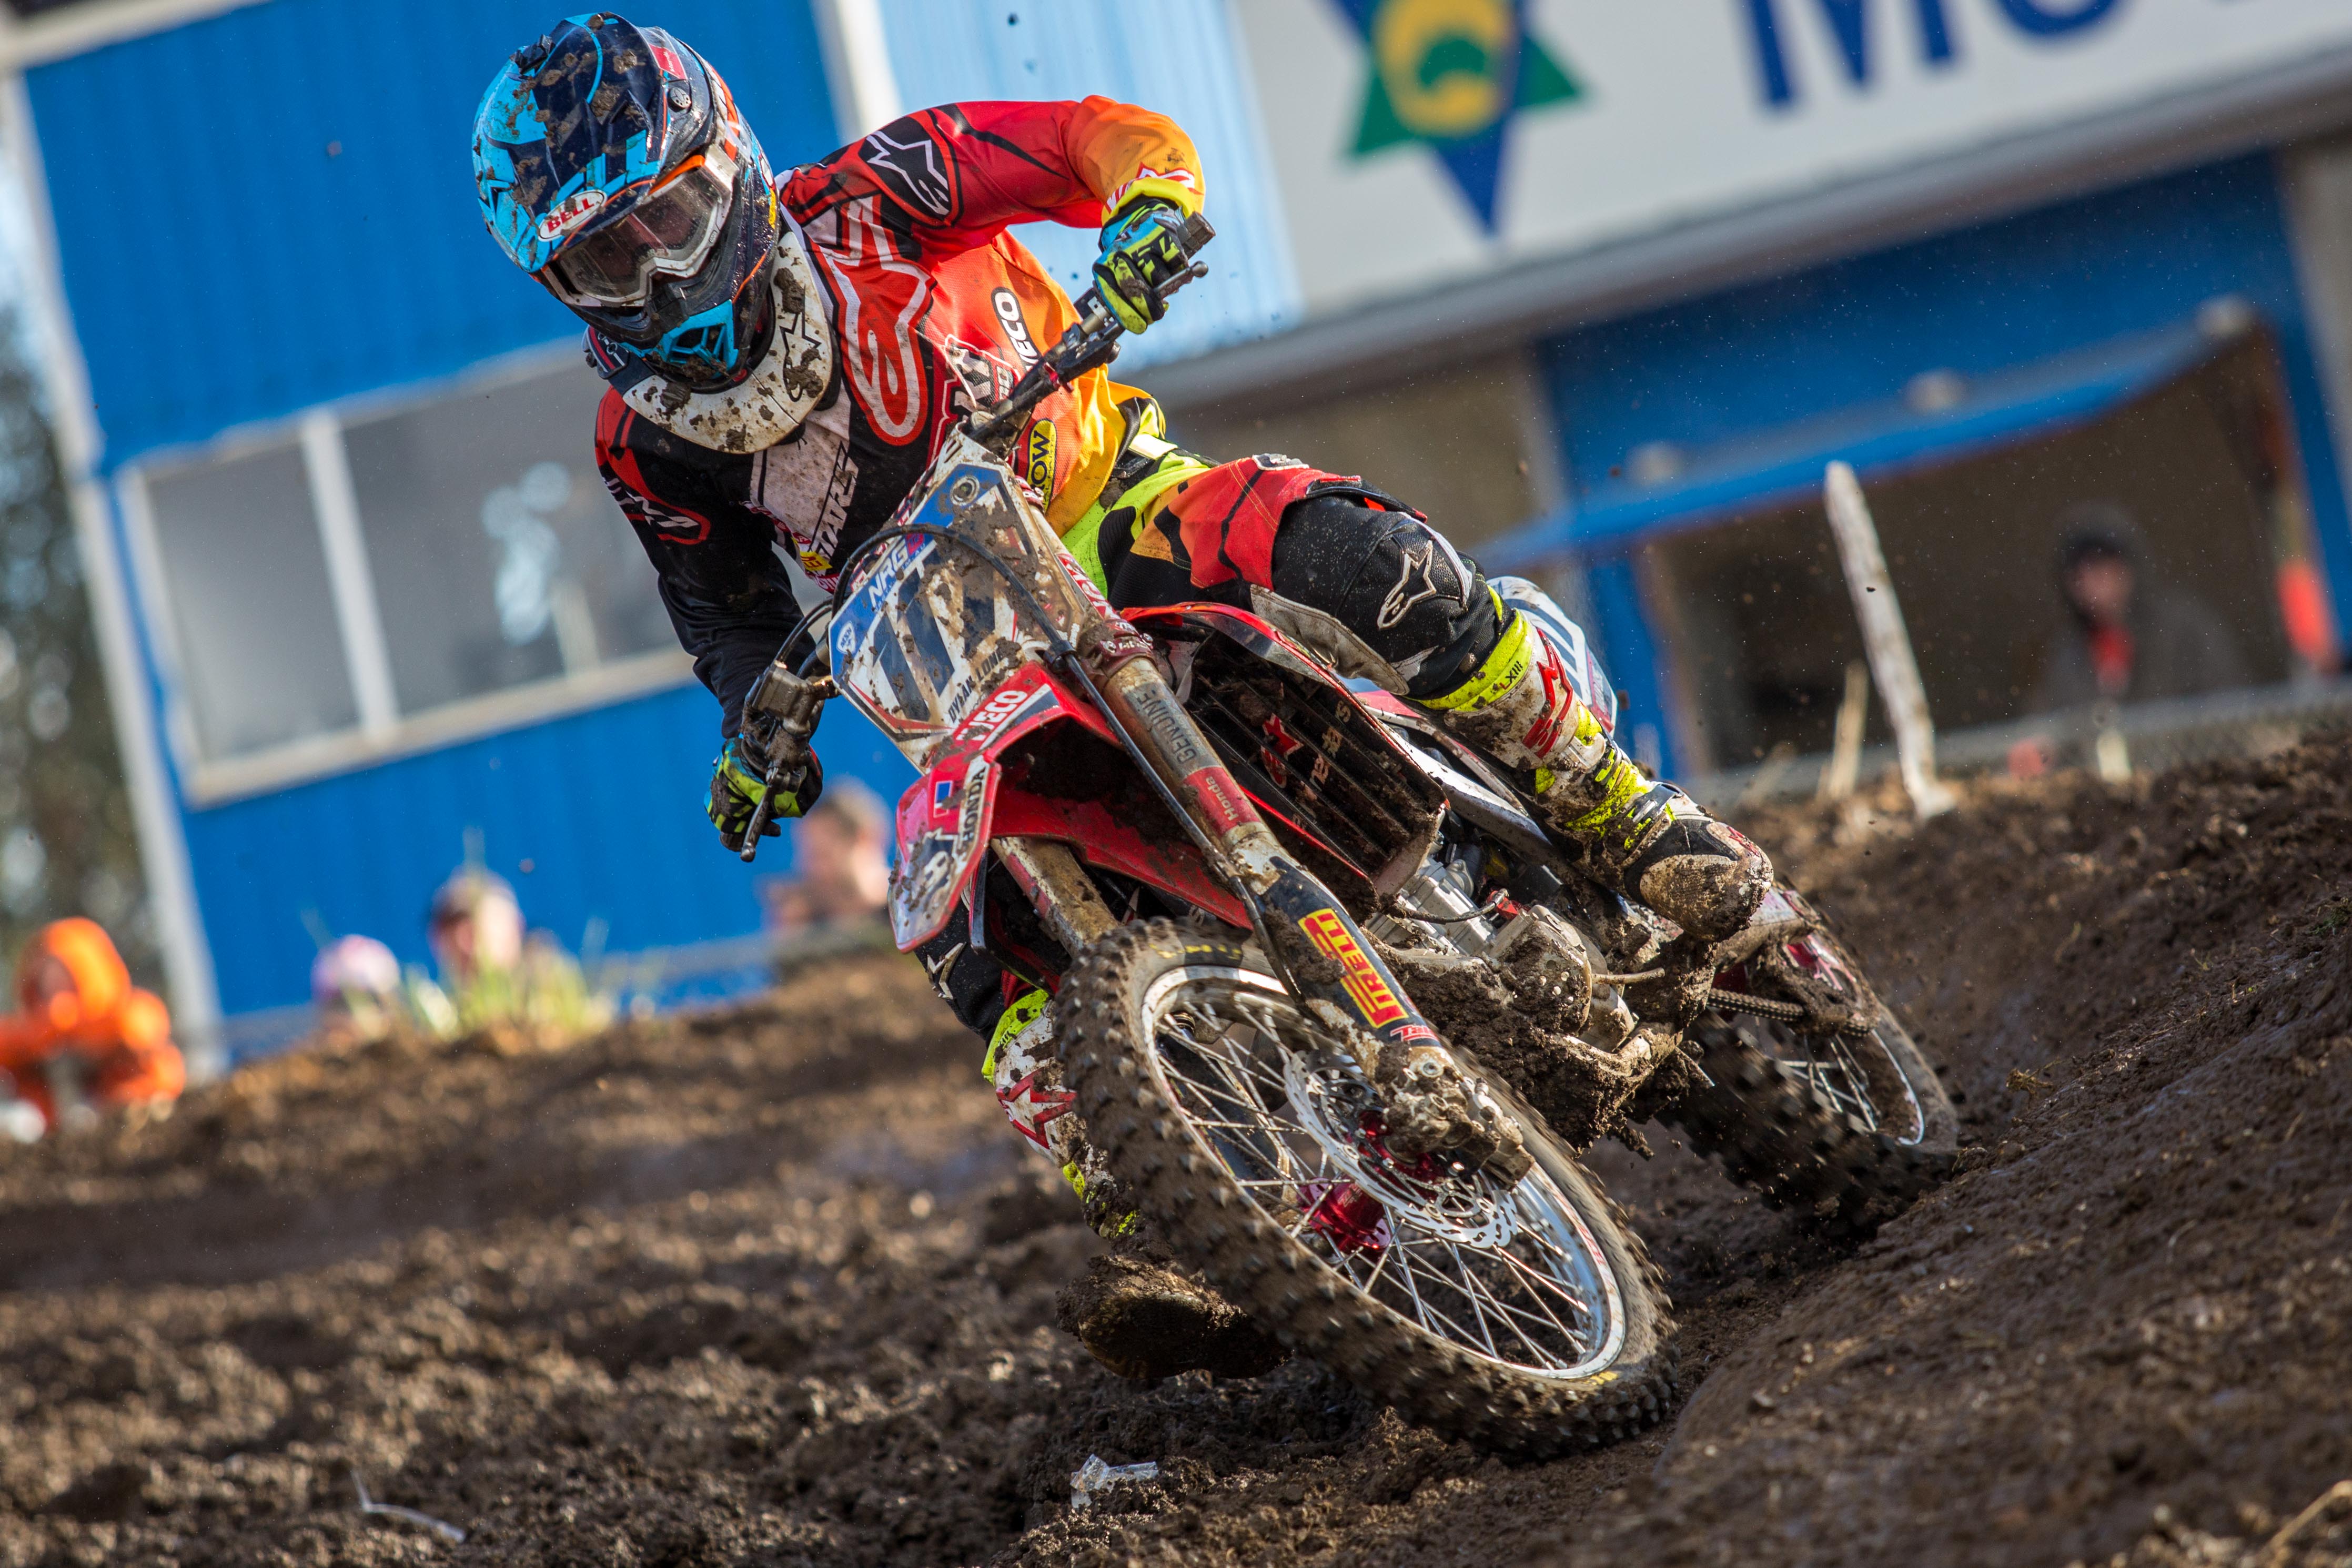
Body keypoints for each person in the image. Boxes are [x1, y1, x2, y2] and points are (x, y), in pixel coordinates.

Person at [472, 16, 1771, 1367]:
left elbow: (1095, 135)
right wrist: (757, 726)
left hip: (1100, 508)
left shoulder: (880, 192)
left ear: (726, 159)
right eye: (600, 256)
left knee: (1331, 544)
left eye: (669, 218)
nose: (655, 272)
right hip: (946, 649)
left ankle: (1616, 808)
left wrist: (1148, 207)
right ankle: (1174, 1204)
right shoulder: (643, 441)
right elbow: (726, 617)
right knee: (950, 906)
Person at [2012, 503, 2250, 775]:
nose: (2093, 580)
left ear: (2129, 568)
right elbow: (2048, 723)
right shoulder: (2067, 654)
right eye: (2080, 571)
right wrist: (2040, 744)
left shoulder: (2185, 630)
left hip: (2191, 782)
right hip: (2115, 800)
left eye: (2103, 565)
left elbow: (2229, 710)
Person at [0, 918, 183, 1139]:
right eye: (45, 984)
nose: (55, 991)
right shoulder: (30, 1034)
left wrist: (69, 1025)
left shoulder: (127, 1013)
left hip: (130, 1125)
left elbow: (139, 1025)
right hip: (60, 1135)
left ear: (87, 977)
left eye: (64, 979)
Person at [760, 780, 890, 938]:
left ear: (864, 839)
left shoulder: (910, 910)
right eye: (809, 857)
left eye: (823, 855)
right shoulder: (806, 924)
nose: (814, 870)